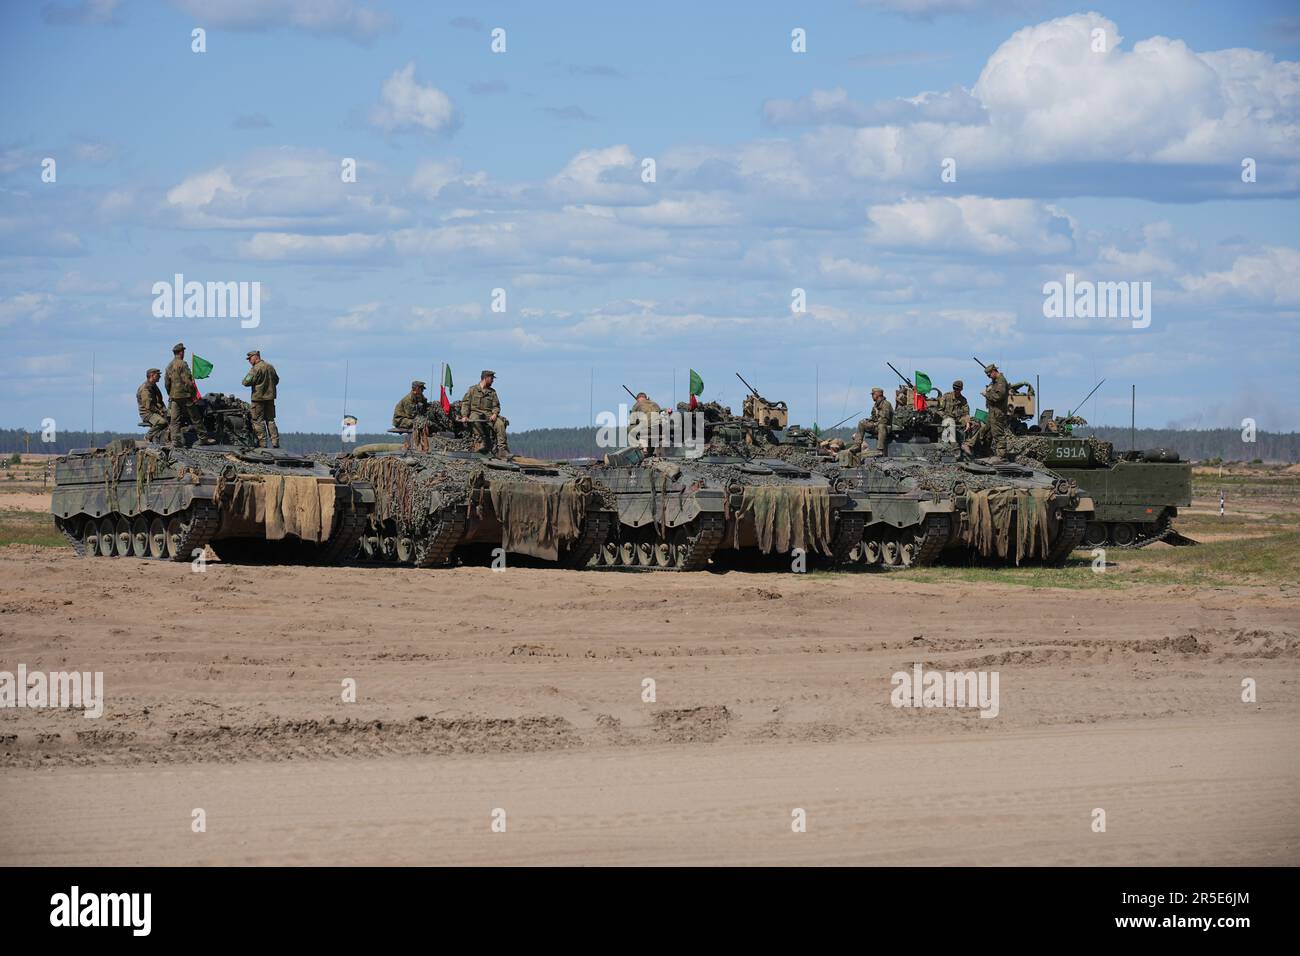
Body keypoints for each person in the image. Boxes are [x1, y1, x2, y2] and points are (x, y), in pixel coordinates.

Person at [164, 342, 211, 447]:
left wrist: (171, 393)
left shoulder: (169, 366)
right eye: (183, 351)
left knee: (174, 420)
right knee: (195, 417)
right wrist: (193, 394)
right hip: (185, 396)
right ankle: (203, 438)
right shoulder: (183, 364)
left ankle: (176, 441)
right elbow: (188, 381)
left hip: (174, 397)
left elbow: (167, 383)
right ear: (181, 353)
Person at [459, 369, 510, 456]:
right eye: (491, 378)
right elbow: (466, 403)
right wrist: (464, 416)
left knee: (500, 424)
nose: (493, 380)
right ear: (485, 378)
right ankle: (480, 443)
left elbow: (496, 406)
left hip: (489, 414)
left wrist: (494, 414)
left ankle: (502, 449)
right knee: (474, 419)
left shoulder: (492, 392)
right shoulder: (473, 390)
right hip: (475, 412)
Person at [241, 350, 280, 448]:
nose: (249, 361)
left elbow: (245, 382)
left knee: (258, 421)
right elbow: (277, 380)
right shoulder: (270, 367)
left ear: (256, 357)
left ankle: (263, 444)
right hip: (270, 398)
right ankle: (275, 442)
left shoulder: (255, 369)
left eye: (250, 358)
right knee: (270, 420)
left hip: (258, 399)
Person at [854, 387, 893, 455]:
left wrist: (874, 424)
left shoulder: (886, 404)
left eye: (873, 394)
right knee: (862, 423)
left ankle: (880, 449)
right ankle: (857, 446)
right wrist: (869, 421)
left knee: (881, 426)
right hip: (877, 426)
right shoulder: (876, 405)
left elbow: (884, 420)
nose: (872, 396)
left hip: (886, 427)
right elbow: (873, 418)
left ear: (877, 395)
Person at [136, 368, 167, 442]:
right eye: (158, 375)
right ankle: (148, 436)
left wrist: (165, 411)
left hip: (155, 411)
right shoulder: (145, 389)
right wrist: (160, 412)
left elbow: (160, 400)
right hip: (147, 413)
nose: (159, 376)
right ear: (152, 375)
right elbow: (148, 406)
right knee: (162, 422)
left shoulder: (153, 386)